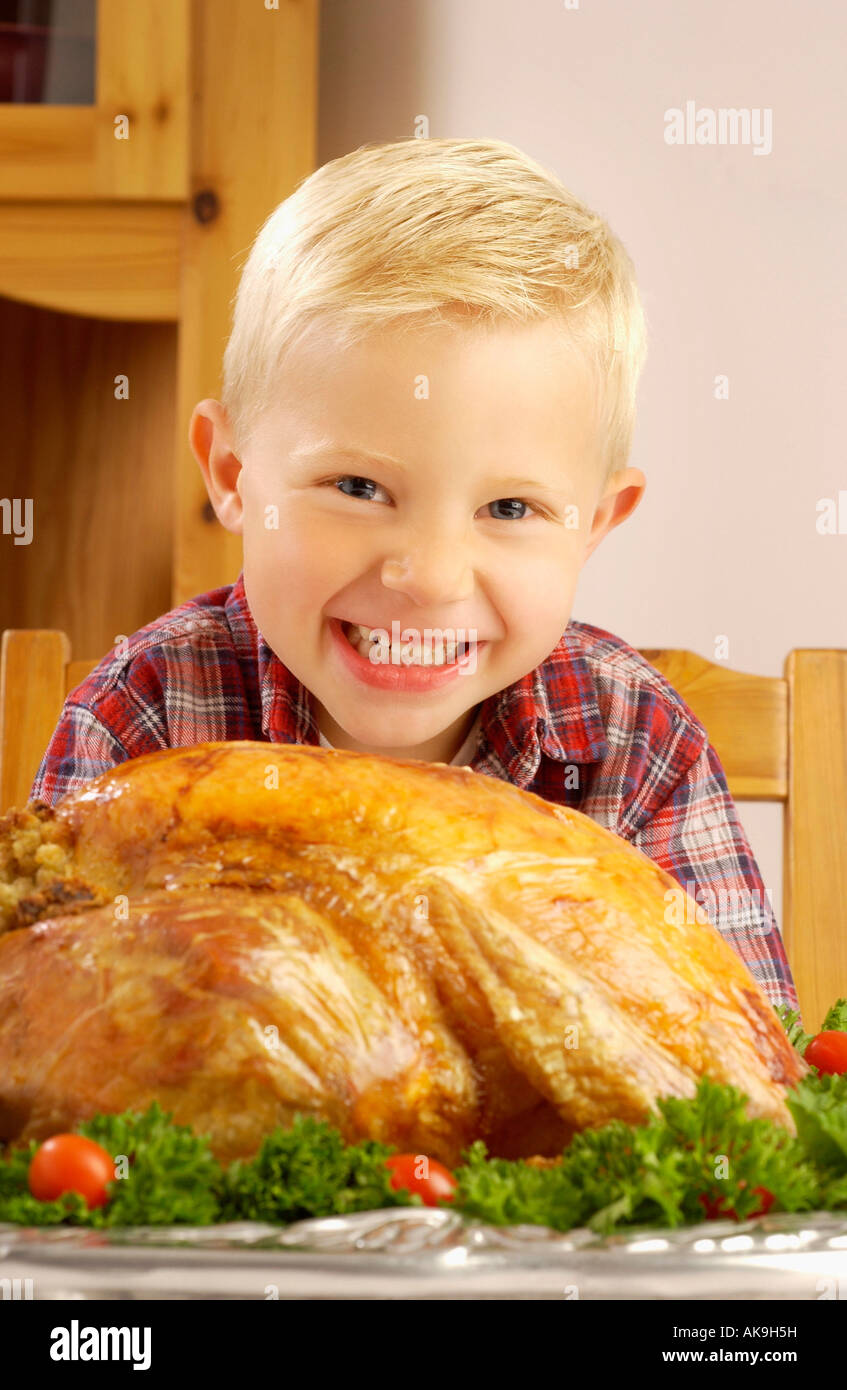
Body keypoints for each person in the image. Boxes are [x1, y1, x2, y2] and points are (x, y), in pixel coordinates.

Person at [29, 136, 799, 1012]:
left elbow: (742, 1061)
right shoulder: (147, 711)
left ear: (593, 523)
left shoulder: (636, 744)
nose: (429, 577)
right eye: (357, 487)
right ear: (234, 475)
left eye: (509, 510)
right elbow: (46, 1023)